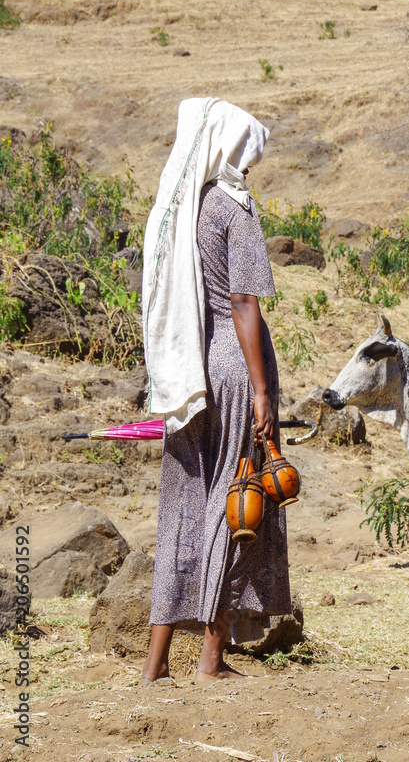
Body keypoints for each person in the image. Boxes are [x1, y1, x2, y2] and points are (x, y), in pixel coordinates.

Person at [140, 98, 290, 684]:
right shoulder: (234, 207)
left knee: (183, 506)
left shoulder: (183, 207)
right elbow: (244, 302)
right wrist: (261, 391)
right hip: (232, 367)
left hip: (190, 367)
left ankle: (154, 664)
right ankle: (210, 658)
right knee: (236, 503)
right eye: (246, 159)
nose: (249, 170)